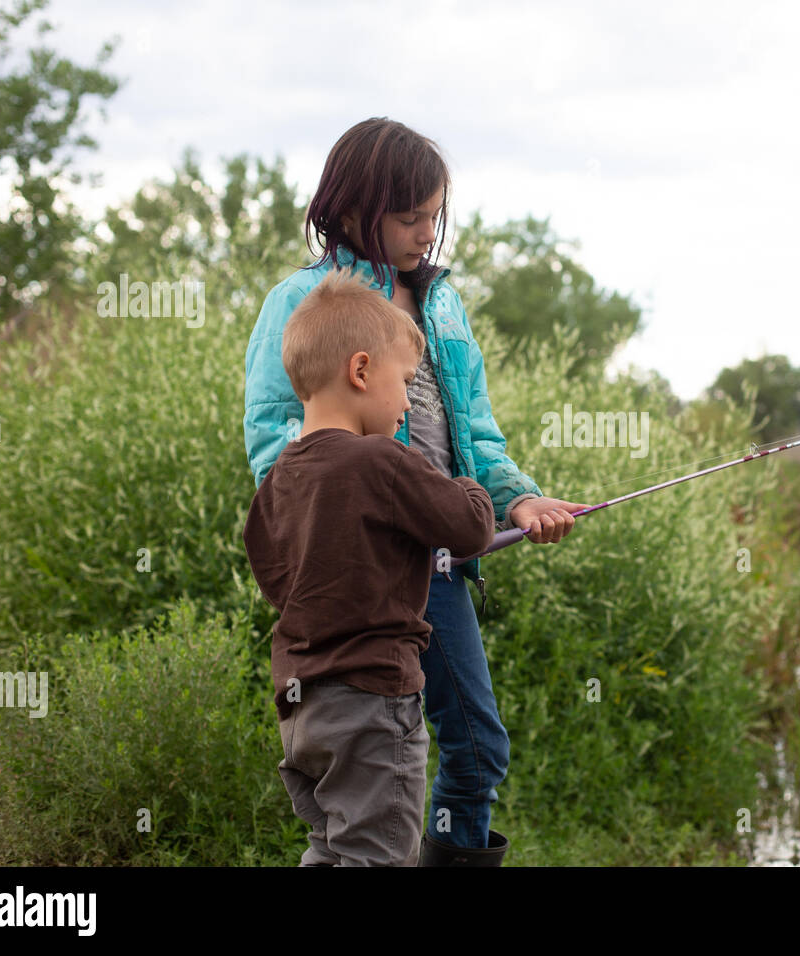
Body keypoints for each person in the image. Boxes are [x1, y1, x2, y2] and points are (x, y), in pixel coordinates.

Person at [243, 117, 588, 866]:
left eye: (433, 214)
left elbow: (478, 434)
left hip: (440, 565)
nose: (426, 232)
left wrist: (518, 500)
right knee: (417, 749)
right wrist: (335, 540)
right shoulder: (303, 302)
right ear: (351, 208)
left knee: (473, 747)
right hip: (371, 571)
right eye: (409, 217)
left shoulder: (445, 305)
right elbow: (279, 445)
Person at [243, 268, 496, 865]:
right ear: (360, 372)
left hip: (303, 705)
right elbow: (470, 528)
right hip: (374, 703)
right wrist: (470, 484)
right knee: (378, 853)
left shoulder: (281, 476)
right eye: (405, 382)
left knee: (332, 846)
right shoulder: (383, 460)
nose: (410, 400)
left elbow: (273, 571)